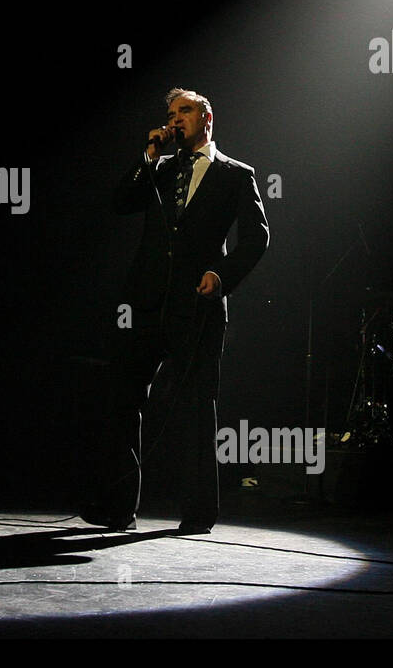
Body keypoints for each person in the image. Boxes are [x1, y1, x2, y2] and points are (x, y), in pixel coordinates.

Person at [82, 88, 269, 533]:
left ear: (207, 117)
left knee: (196, 408)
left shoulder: (236, 175)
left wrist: (222, 275)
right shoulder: (159, 169)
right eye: (170, 113)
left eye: (183, 111)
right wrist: (148, 154)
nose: (174, 119)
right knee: (123, 399)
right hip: (145, 303)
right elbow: (121, 203)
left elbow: (257, 237)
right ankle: (118, 507)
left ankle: (198, 513)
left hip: (197, 307)